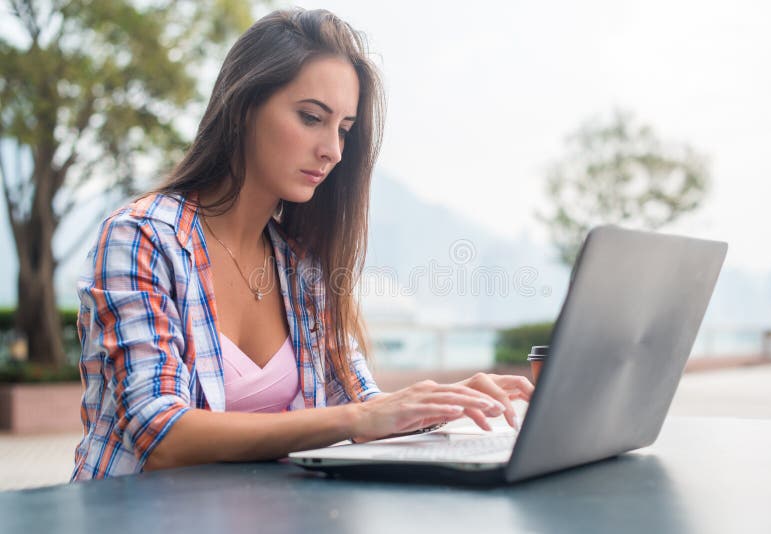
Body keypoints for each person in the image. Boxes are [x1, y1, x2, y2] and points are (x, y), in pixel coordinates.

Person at [71, 8, 533, 481]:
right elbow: (160, 435)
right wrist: (357, 419)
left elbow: (362, 405)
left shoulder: (302, 268)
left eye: (344, 130)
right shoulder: (143, 238)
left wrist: (444, 402)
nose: (332, 149)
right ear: (244, 107)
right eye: (312, 117)